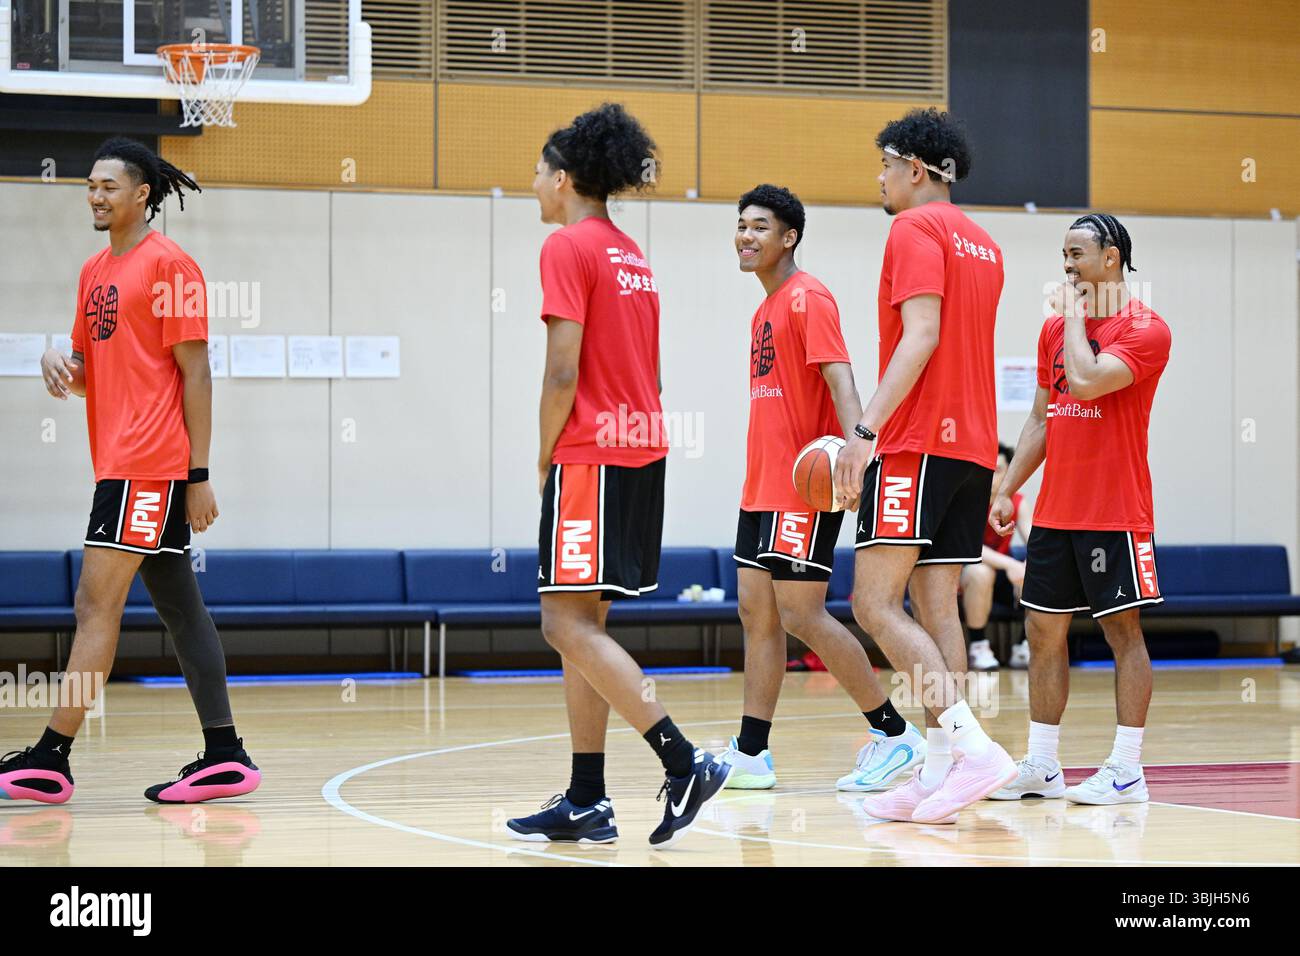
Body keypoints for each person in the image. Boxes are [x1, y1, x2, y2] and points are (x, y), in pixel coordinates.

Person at [1, 137, 259, 806]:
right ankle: (225, 755)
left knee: (95, 605)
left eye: (108, 185)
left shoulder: (169, 265)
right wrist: (61, 368)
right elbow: (102, 378)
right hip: (121, 463)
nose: (95, 194)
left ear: (141, 194)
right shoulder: (93, 273)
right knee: (179, 606)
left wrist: (198, 473)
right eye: (90, 184)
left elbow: (195, 371)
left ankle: (50, 758)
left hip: (150, 466)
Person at [505, 104, 730, 849]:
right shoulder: (632, 254)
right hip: (642, 451)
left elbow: (562, 368)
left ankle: (681, 758)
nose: (533, 184)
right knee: (584, 627)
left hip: (594, 454)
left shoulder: (568, 247)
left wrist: (545, 452)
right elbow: (653, 372)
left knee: (560, 622)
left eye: (538, 171)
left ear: (564, 177)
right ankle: (586, 798)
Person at [834, 108, 1017, 825]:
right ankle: (944, 770)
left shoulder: (912, 227)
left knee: (873, 604)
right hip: (973, 449)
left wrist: (863, 429)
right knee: (937, 606)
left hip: (915, 444)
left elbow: (921, 336)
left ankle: (972, 749)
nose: (878, 178)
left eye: (883, 164)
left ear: (915, 168)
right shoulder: (988, 244)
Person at [720, 184, 925, 794]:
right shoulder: (764, 308)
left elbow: (842, 381)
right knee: (756, 614)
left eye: (760, 227)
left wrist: (854, 457)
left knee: (800, 615)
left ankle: (894, 735)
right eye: (740, 226)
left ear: (790, 238)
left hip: (802, 491)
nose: (746, 235)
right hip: (759, 488)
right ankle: (752, 752)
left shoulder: (809, 298)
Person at [989, 214, 1170, 805]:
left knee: (1123, 633)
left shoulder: (1146, 329)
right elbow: (1043, 418)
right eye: (1063, 255)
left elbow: (1088, 381)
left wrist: (1071, 316)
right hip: (1056, 513)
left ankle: (1126, 770)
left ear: (1111, 257)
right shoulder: (1052, 333)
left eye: (1077, 255)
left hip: (1114, 511)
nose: (1066, 266)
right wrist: (1006, 490)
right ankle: (1042, 763)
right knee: (1042, 631)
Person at [960, 443, 1031, 671]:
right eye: (987, 469)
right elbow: (971, 548)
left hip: (1003, 576)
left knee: (1039, 571)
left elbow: (1037, 542)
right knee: (980, 571)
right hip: (968, 576)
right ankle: (978, 646)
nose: (991, 476)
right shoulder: (965, 500)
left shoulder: (1017, 502)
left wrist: (1029, 566)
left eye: (998, 470)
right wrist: (1013, 564)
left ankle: (1025, 644)